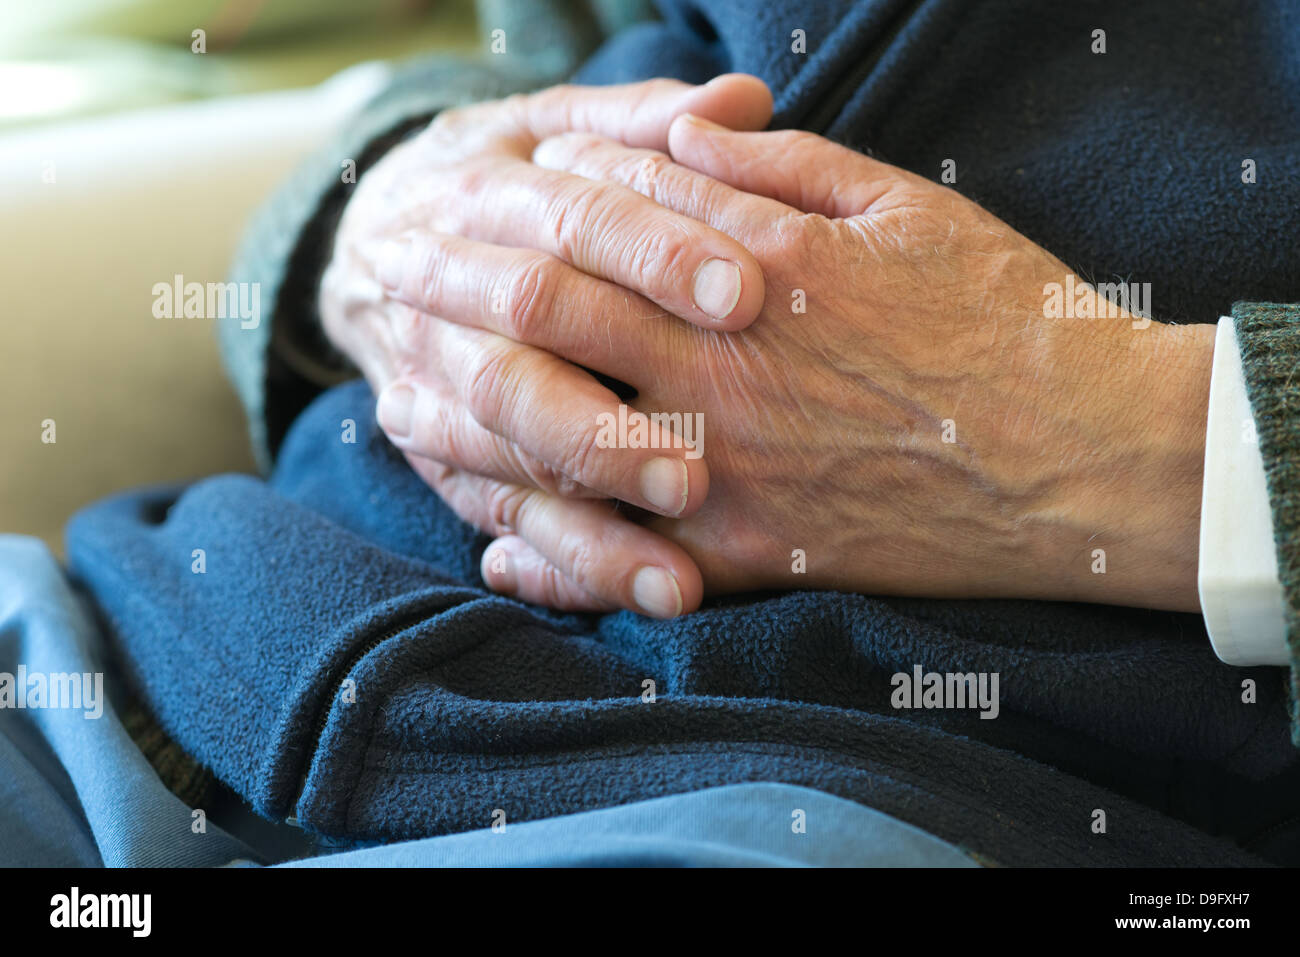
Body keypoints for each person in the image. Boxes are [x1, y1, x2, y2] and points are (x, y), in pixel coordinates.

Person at [59, 0, 1300, 865]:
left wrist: (1162, 452)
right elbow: (538, 49)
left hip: (852, 800)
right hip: (176, 646)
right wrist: (390, 218)